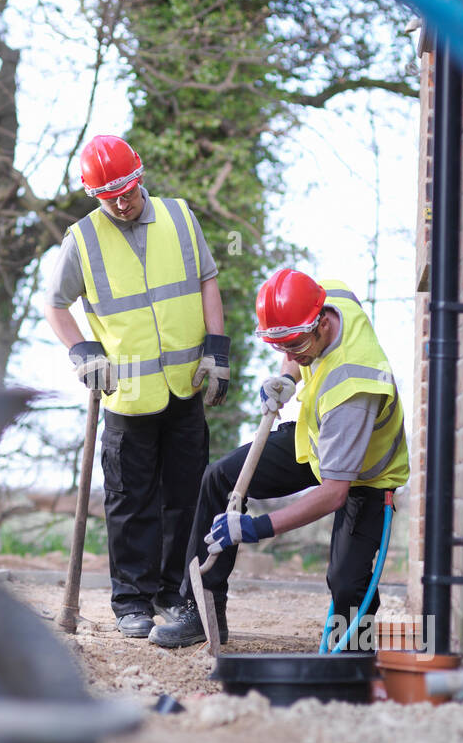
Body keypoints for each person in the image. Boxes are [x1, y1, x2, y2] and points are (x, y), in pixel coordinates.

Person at [150, 269, 408, 649]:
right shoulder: (329, 295)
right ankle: (200, 613)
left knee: (347, 583)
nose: (289, 356)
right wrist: (287, 377)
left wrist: (256, 528)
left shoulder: (355, 387)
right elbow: (294, 349)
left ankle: (352, 656)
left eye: (295, 346)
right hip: (317, 443)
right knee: (220, 478)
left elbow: (334, 493)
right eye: (279, 346)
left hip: (363, 476)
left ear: (321, 325)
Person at [44, 134, 229, 638]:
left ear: (139, 176)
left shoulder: (180, 218)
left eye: (127, 191)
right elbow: (55, 305)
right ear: (95, 195)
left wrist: (216, 348)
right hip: (126, 396)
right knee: (130, 501)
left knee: (186, 496)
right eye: (110, 197)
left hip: (185, 385)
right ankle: (131, 601)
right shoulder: (81, 239)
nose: (122, 203)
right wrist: (82, 353)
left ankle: (175, 593)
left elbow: (206, 280)